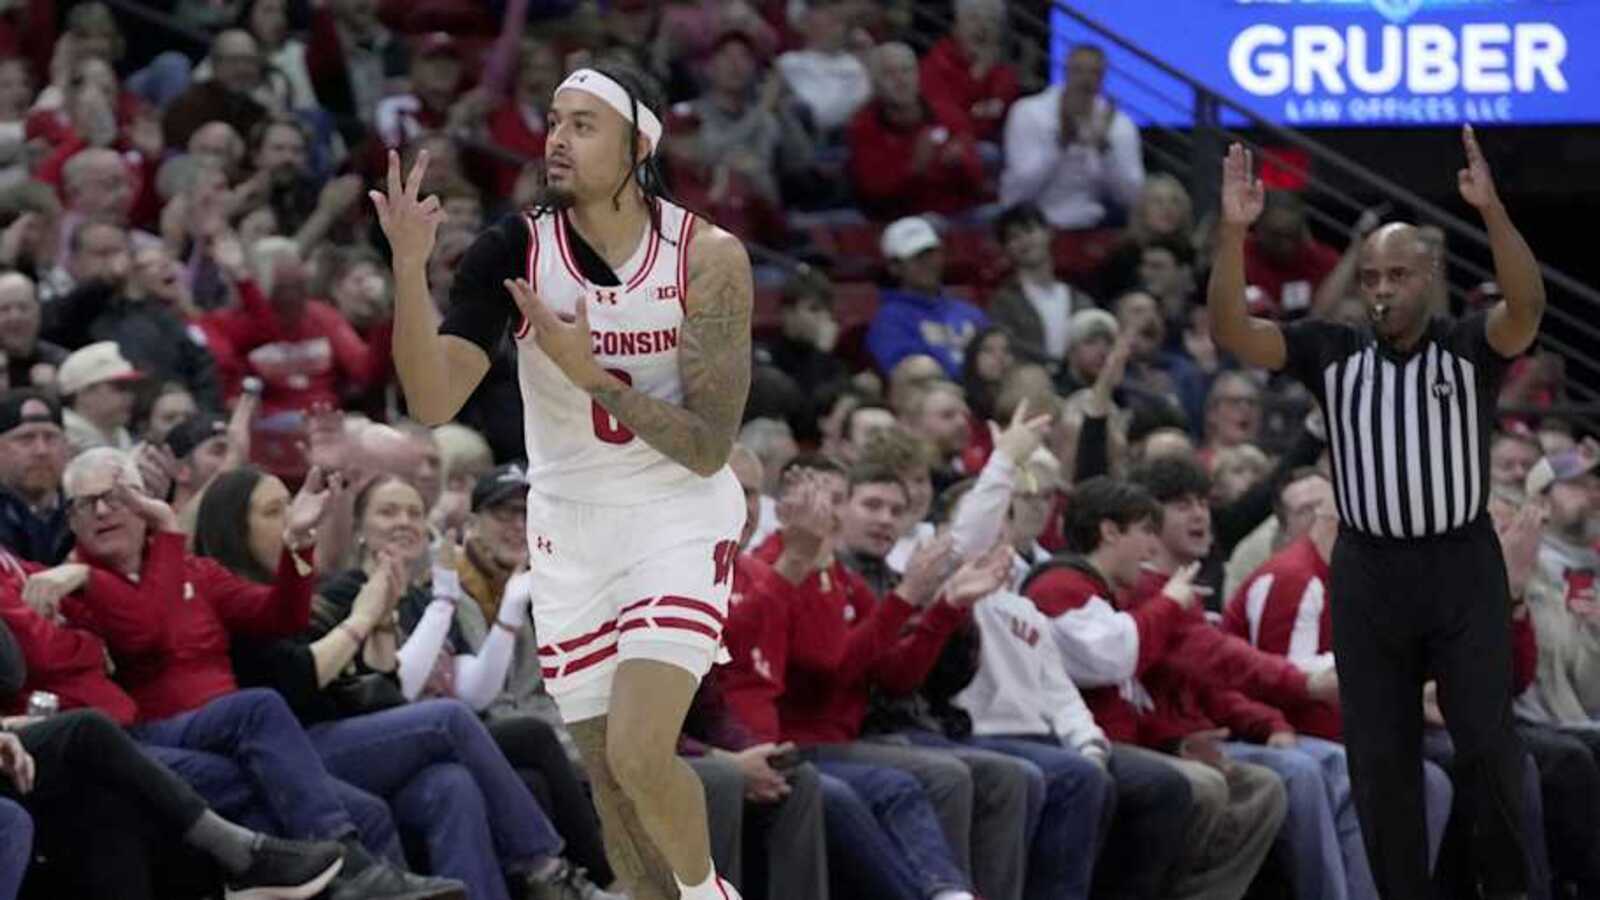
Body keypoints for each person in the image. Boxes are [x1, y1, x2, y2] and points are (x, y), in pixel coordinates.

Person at [373, 60, 755, 900]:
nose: (557, 139)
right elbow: (435, 400)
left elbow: (707, 446)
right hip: (570, 525)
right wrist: (409, 268)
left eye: (584, 125)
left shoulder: (708, 257)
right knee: (611, 784)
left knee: (641, 750)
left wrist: (592, 378)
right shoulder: (515, 247)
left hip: (675, 513)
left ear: (638, 145)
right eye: (553, 121)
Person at [1207, 130, 1547, 900]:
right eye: (1371, 276)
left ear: (1429, 276)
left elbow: (1527, 306)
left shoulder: (1469, 346)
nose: (1384, 287)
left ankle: (1510, 890)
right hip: (1368, 569)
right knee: (1381, 759)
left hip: (1461, 564)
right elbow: (1231, 332)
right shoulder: (1330, 350)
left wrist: (1492, 211)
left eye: (1399, 273)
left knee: (1489, 746)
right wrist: (1232, 233)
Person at [999, 44, 1142, 230]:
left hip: (1094, 220)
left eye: (1094, 73)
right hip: (1034, 219)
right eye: (1078, 71)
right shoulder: (1028, 112)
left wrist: (1104, 149)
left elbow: (1133, 196)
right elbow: (1017, 192)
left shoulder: (1118, 124)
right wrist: (1061, 144)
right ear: (1065, 72)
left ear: (1103, 78)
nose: (1086, 80)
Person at [867, 217, 989, 378]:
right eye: (917, 258)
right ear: (895, 268)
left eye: (931, 254)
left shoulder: (970, 312)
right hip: (934, 396)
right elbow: (909, 375)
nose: (928, 264)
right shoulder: (889, 321)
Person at [986, 205, 1095, 373]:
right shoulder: (1003, 303)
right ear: (1006, 249)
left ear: (1048, 233)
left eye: (1029, 231)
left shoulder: (1080, 299)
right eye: (1014, 237)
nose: (1024, 241)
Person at [0, 390, 72, 565]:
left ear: (67, 447)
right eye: (26, 439)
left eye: (51, 438)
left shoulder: (89, 511)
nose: (42, 450)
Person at [56, 340, 142, 454]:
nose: (129, 395)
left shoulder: (122, 438)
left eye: (130, 387)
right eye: (120, 387)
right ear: (84, 393)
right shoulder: (63, 442)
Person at [0, 273, 67, 393]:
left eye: (23, 307)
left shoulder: (61, 362)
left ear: (38, 313)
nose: (15, 317)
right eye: (4, 309)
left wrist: (57, 392)